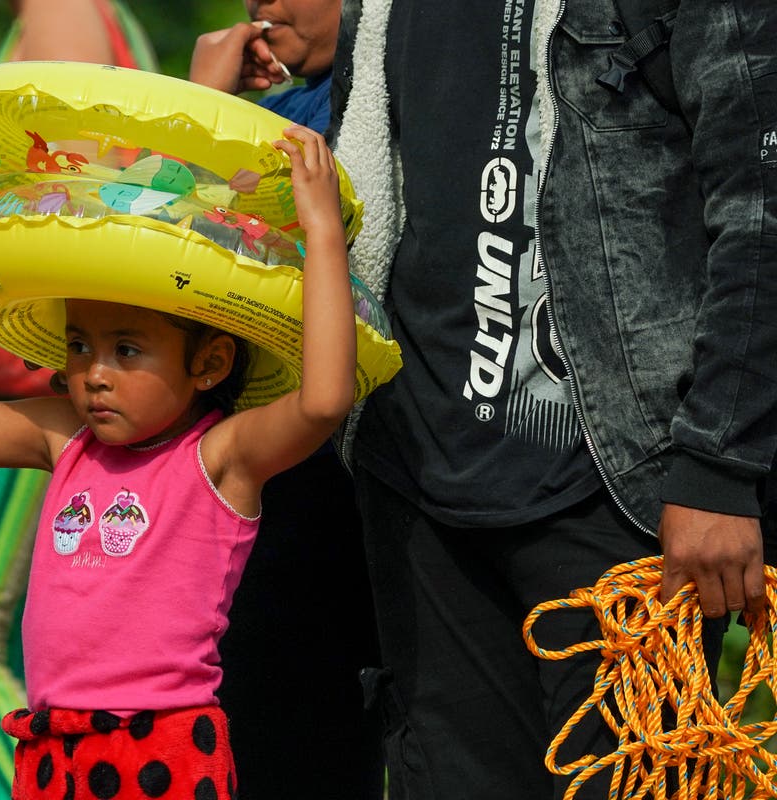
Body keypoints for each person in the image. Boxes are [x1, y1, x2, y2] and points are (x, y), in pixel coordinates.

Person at [331, 0, 777, 797]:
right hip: (419, 488)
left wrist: (720, 463)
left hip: (623, 484)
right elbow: (368, 204)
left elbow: (760, 206)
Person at [0, 123, 356, 798]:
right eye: (78, 346)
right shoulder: (66, 439)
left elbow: (325, 401)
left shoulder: (220, 459)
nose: (94, 373)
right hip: (49, 751)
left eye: (127, 350)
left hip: (162, 753)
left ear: (209, 363)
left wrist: (322, 234)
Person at [188, 3, 384, 798]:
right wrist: (214, 112)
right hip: (254, 486)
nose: (262, 7)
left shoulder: (367, 109)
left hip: (330, 487)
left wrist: (200, 122)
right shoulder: (268, 114)